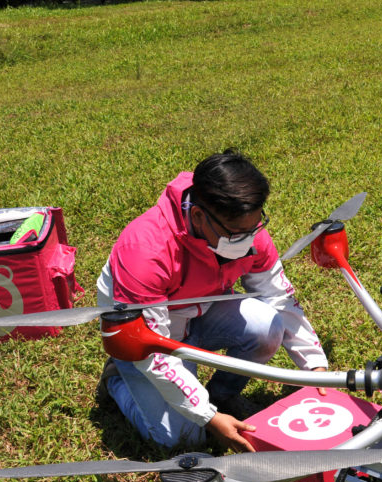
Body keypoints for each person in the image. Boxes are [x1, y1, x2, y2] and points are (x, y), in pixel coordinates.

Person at [95, 150, 328, 452]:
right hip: (144, 338)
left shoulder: (250, 233)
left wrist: (315, 367)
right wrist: (208, 417)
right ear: (198, 216)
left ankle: (222, 395)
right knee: (181, 439)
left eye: (255, 226)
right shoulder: (145, 250)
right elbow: (153, 349)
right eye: (236, 233)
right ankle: (117, 380)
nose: (249, 240)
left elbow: (280, 298)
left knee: (269, 326)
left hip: (200, 311)